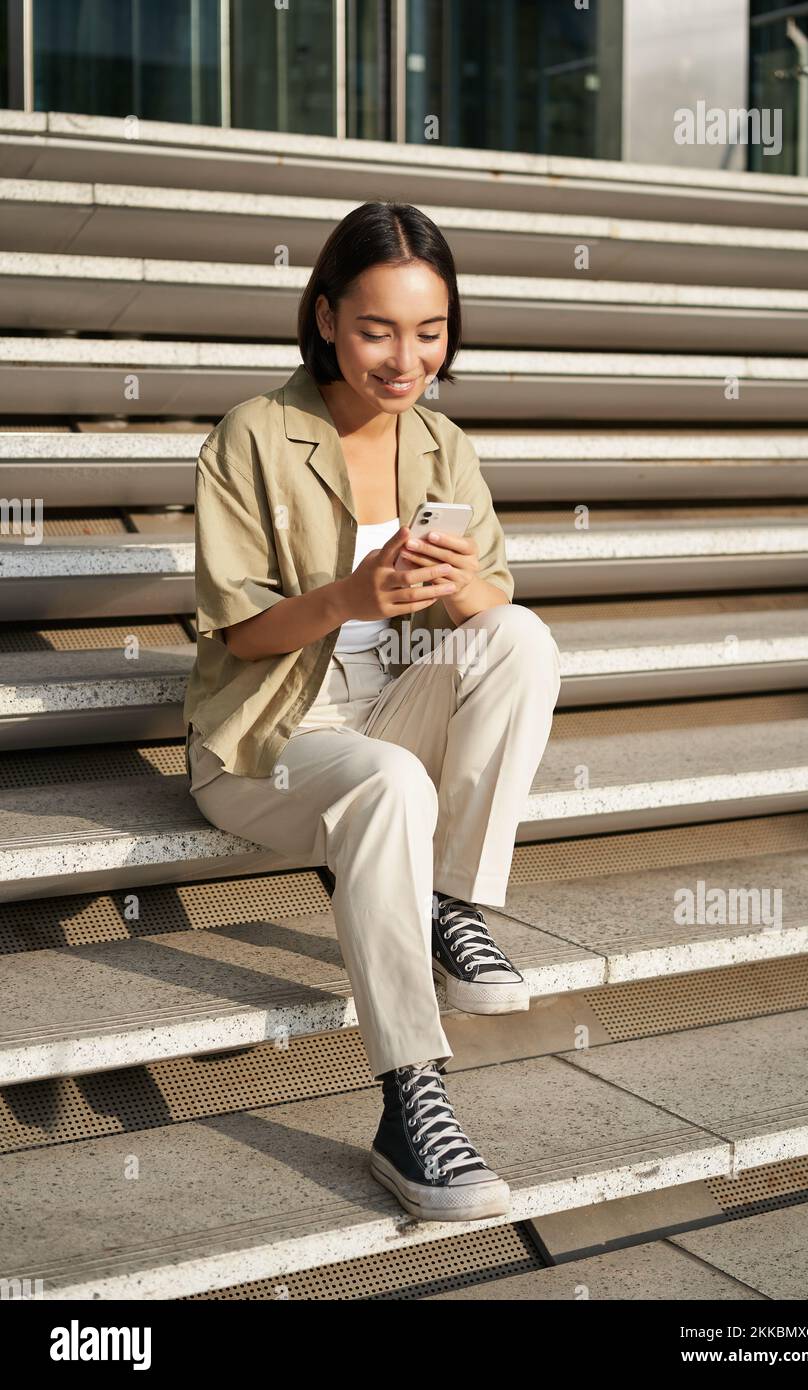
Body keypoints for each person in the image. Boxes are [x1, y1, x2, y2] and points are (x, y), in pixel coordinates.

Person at [182, 200, 562, 1223]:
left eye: (429, 332)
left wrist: (457, 579)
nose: (406, 358)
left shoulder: (440, 444)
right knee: (389, 783)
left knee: (522, 637)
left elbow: (492, 609)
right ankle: (411, 1101)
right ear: (322, 318)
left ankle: (451, 903)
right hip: (270, 730)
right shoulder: (253, 437)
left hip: (389, 704)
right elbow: (235, 634)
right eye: (377, 329)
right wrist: (349, 597)